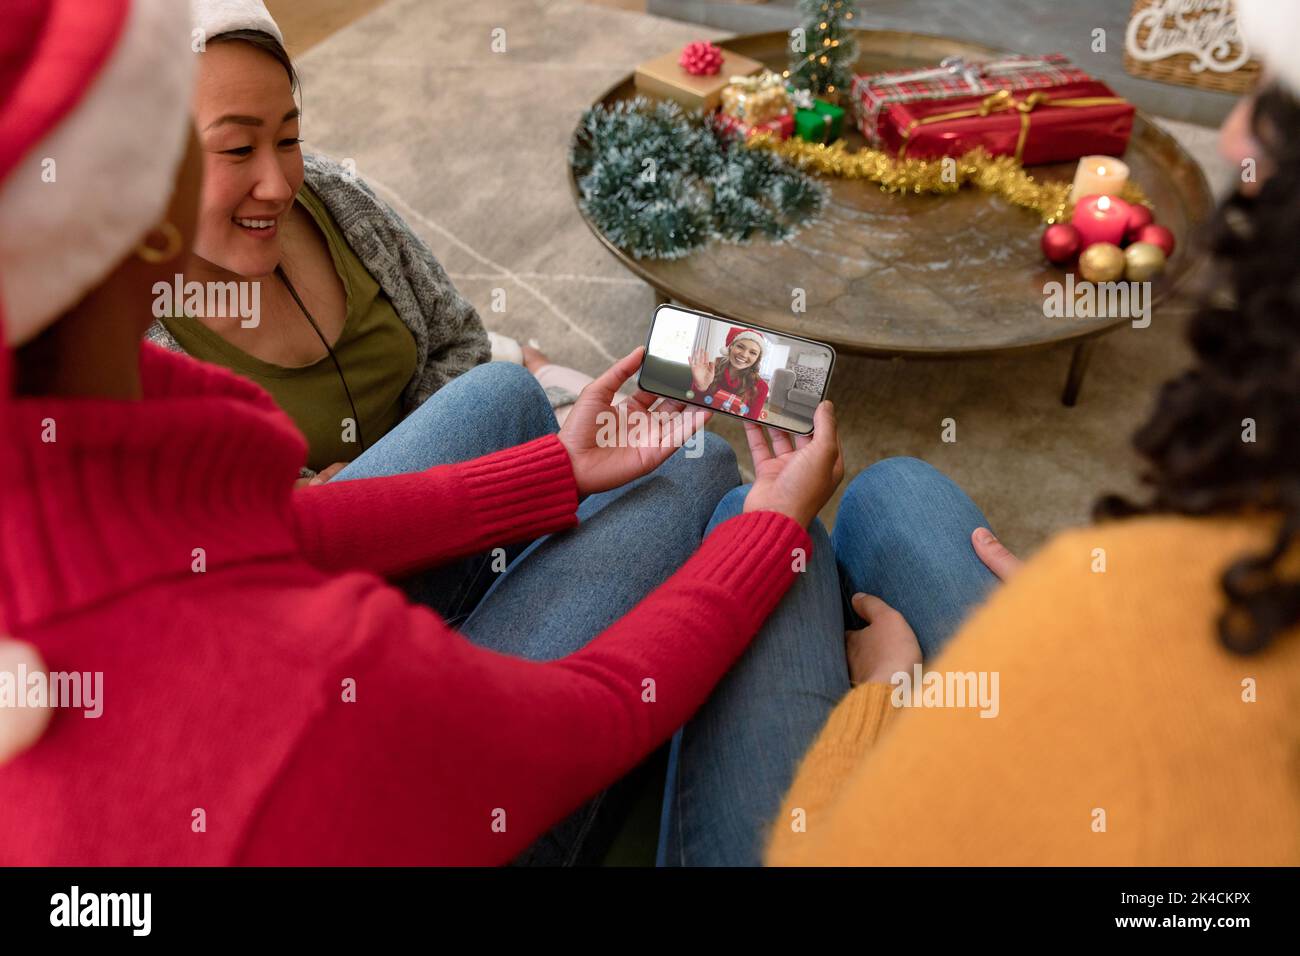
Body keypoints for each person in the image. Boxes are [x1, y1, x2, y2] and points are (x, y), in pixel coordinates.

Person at [0, 0, 845, 865]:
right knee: (704, 478)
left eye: (285, 139)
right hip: (466, 797)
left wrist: (550, 471)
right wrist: (769, 531)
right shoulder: (307, 677)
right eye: (214, 150)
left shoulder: (88, 484)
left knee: (514, 402)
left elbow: (282, 526)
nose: (277, 185)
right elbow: (586, 719)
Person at [661, 0, 1300, 867]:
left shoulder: (1159, 603)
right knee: (894, 494)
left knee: (762, 518)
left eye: (1267, 101)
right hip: (1119, 721)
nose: (1233, 138)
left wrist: (885, 694)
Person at [148, 0, 590, 479]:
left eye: (288, 139)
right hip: (363, 549)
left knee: (674, 466)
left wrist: (399, 466)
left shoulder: (334, 195)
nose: (278, 188)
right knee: (507, 392)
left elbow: (458, 339)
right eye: (237, 148)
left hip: (475, 489)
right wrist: (358, 507)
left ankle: (534, 369)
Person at [688, 327, 770, 421]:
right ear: (731, 347)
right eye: (740, 347)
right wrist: (700, 388)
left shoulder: (762, 387)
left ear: (757, 359)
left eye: (753, 353)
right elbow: (692, 406)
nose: (744, 355)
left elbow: (751, 422)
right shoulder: (709, 370)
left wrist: (740, 418)